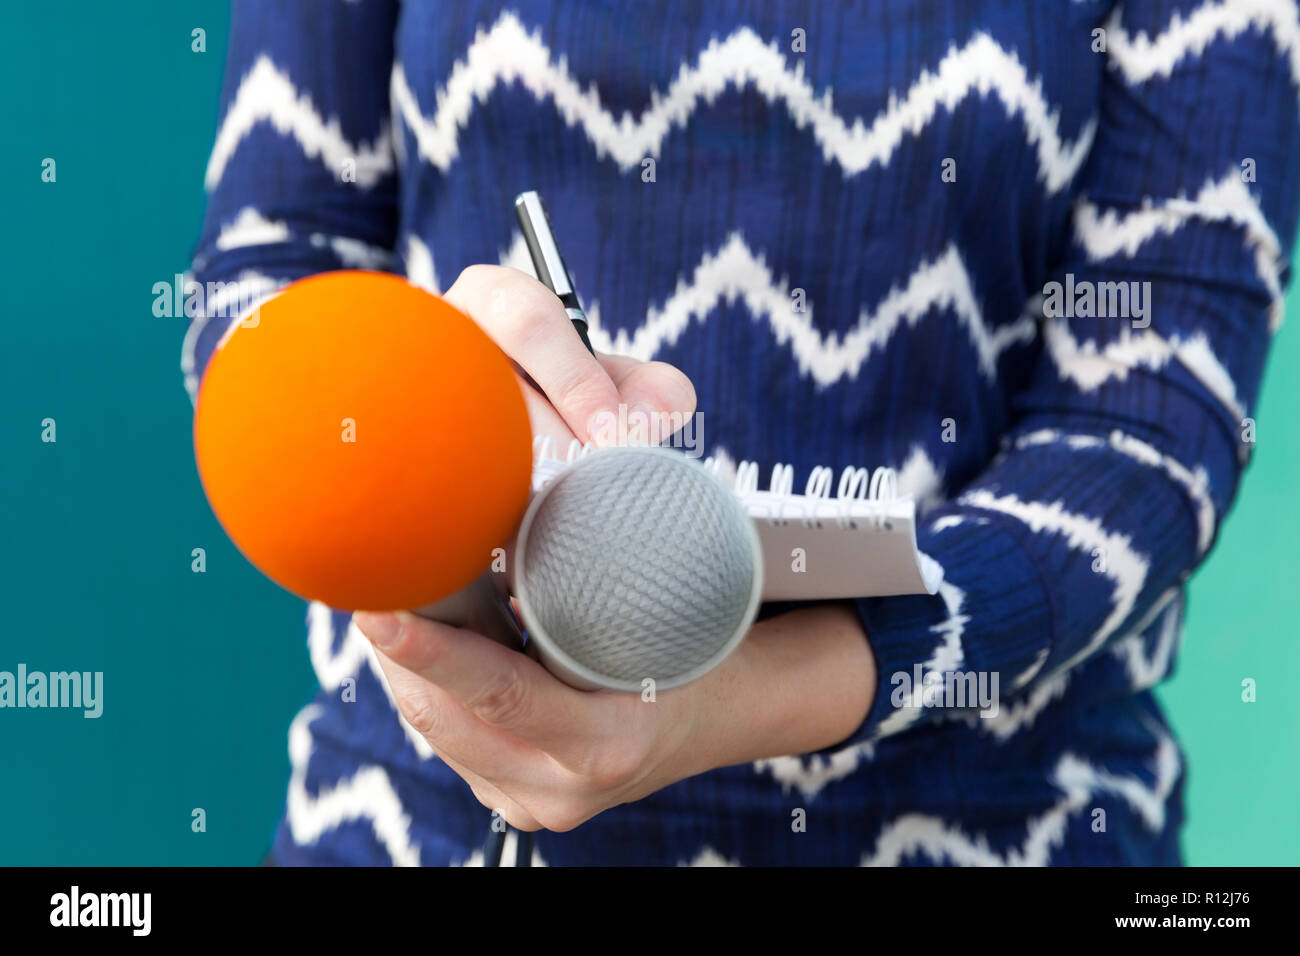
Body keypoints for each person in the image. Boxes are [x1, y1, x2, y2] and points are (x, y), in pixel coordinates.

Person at [185, 0, 1299, 865]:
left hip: (998, 823)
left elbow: (1151, 425)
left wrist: (757, 692)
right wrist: (441, 465)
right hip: (421, 822)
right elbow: (271, 267)